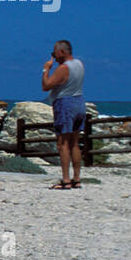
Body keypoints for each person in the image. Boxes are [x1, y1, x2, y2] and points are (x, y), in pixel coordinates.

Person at [42, 39, 85, 189]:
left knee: (63, 143)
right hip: (79, 101)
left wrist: (46, 69)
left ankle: (66, 179)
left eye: (55, 52)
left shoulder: (63, 68)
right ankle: (77, 178)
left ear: (61, 52)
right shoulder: (79, 64)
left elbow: (46, 86)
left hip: (65, 103)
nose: (54, 55)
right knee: (75, 142)